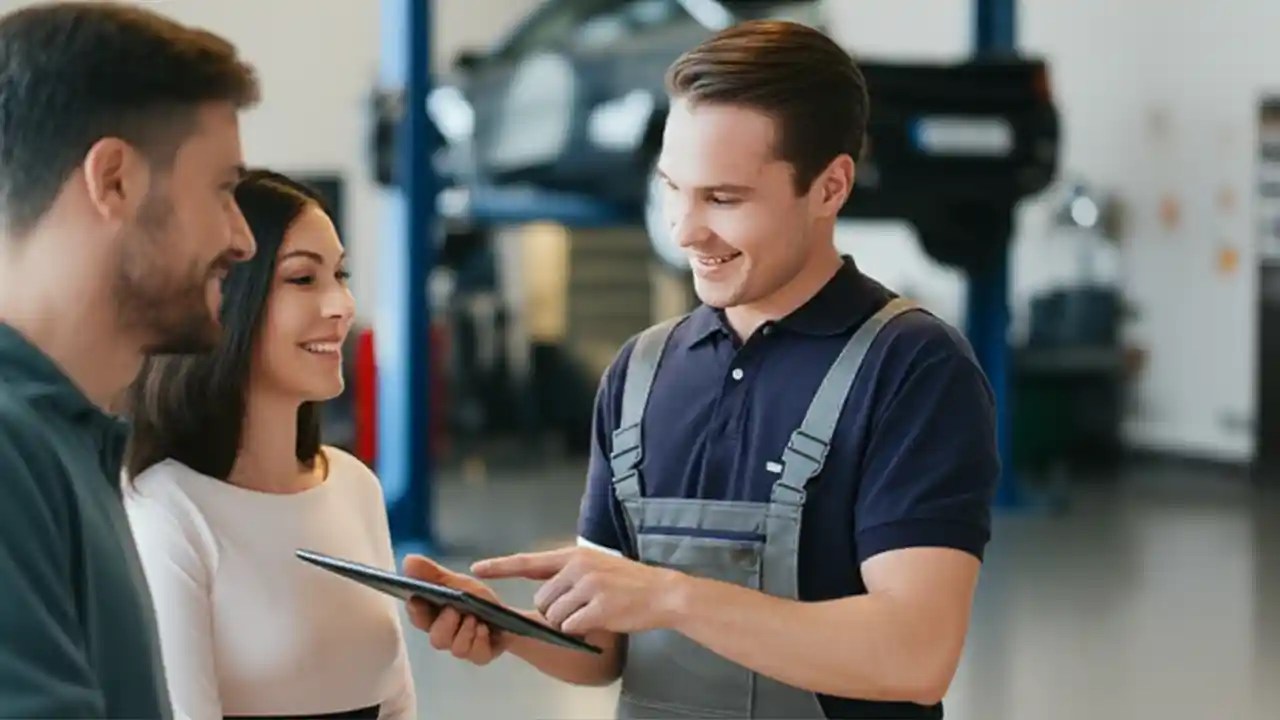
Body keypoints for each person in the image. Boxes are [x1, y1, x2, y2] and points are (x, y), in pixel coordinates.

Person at [403, 19, 998, 720]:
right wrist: (513, 630)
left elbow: (914, 656)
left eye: (723, 198)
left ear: (831, 187)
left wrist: (673, 595)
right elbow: (610, 649)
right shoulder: (642, 372)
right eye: (672, 189)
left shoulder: (913, 369)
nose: (685, 230)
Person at [0, 3, 259, 718]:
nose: (243, 240)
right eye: (223, 189)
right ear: (113, 180)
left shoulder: (67, 439)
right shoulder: (9, 451)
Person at [121, 170, 417, 720]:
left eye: (342, 274)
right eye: (303, 279)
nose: (342, 305)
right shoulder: (168, 511)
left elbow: (398, 703)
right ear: (222, 303)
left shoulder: (354, 486)